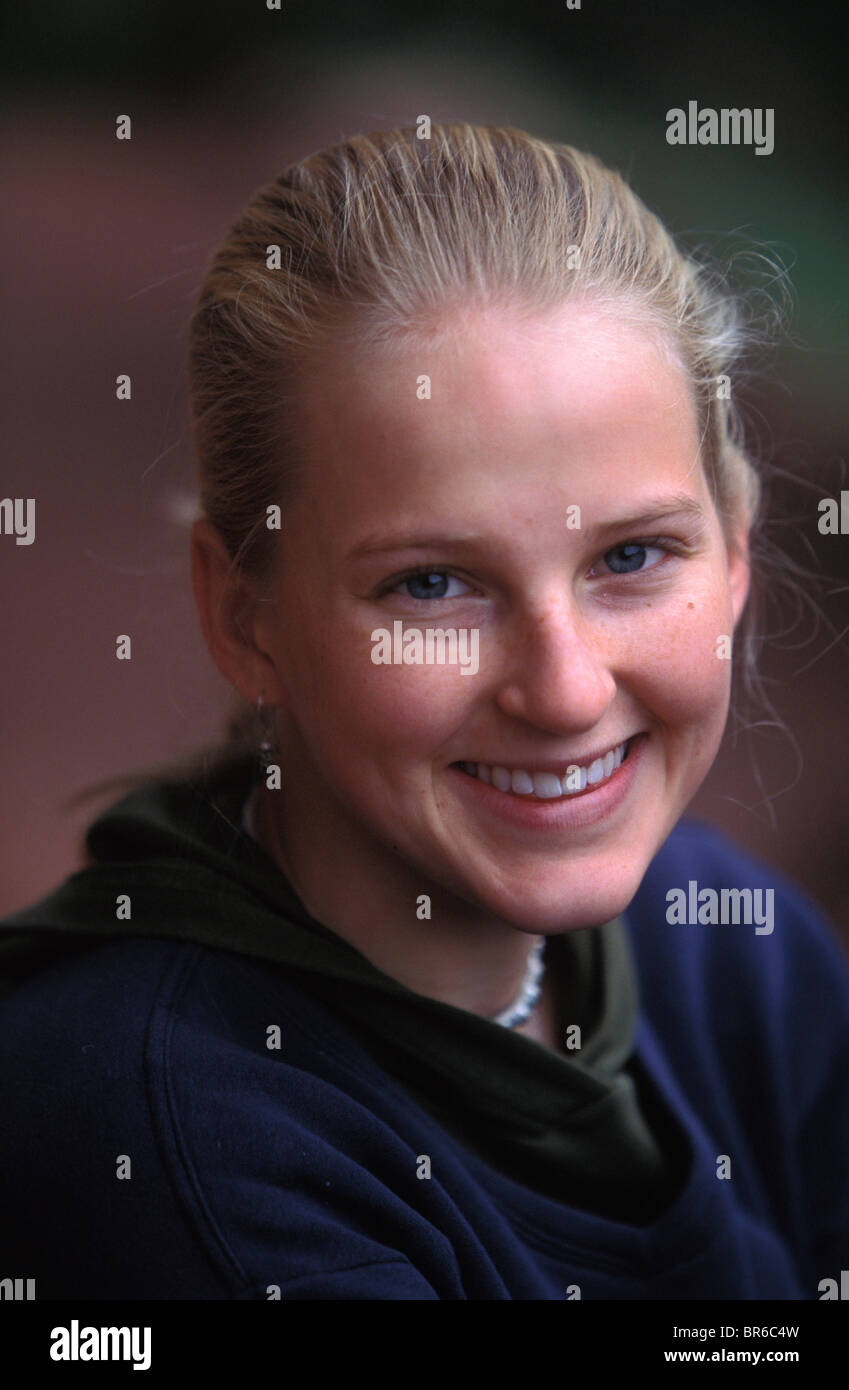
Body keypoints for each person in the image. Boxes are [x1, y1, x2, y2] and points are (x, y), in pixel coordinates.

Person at [1, 122, 847, 1301]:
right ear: (247, 617)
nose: (562, 689)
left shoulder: (731, 947)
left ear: (738, 553)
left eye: (636, 555)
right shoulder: (167, 1148)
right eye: (432, 584)